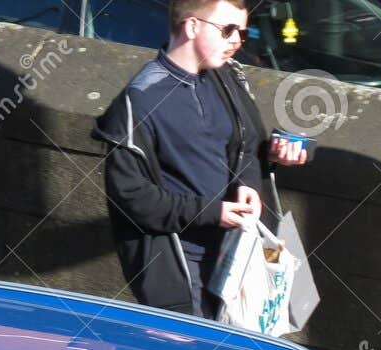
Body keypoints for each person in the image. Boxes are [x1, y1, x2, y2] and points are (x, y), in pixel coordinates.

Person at [93, 0, 307, 319]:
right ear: (192, 27)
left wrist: (249, 182)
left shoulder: (228, 76)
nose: (237, 41)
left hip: (244, 251)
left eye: (243, 32)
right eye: (228, 30)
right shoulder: (139, 100)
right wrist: (212, 213)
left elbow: (247, 146)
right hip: (184, 266)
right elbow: (132, 198)